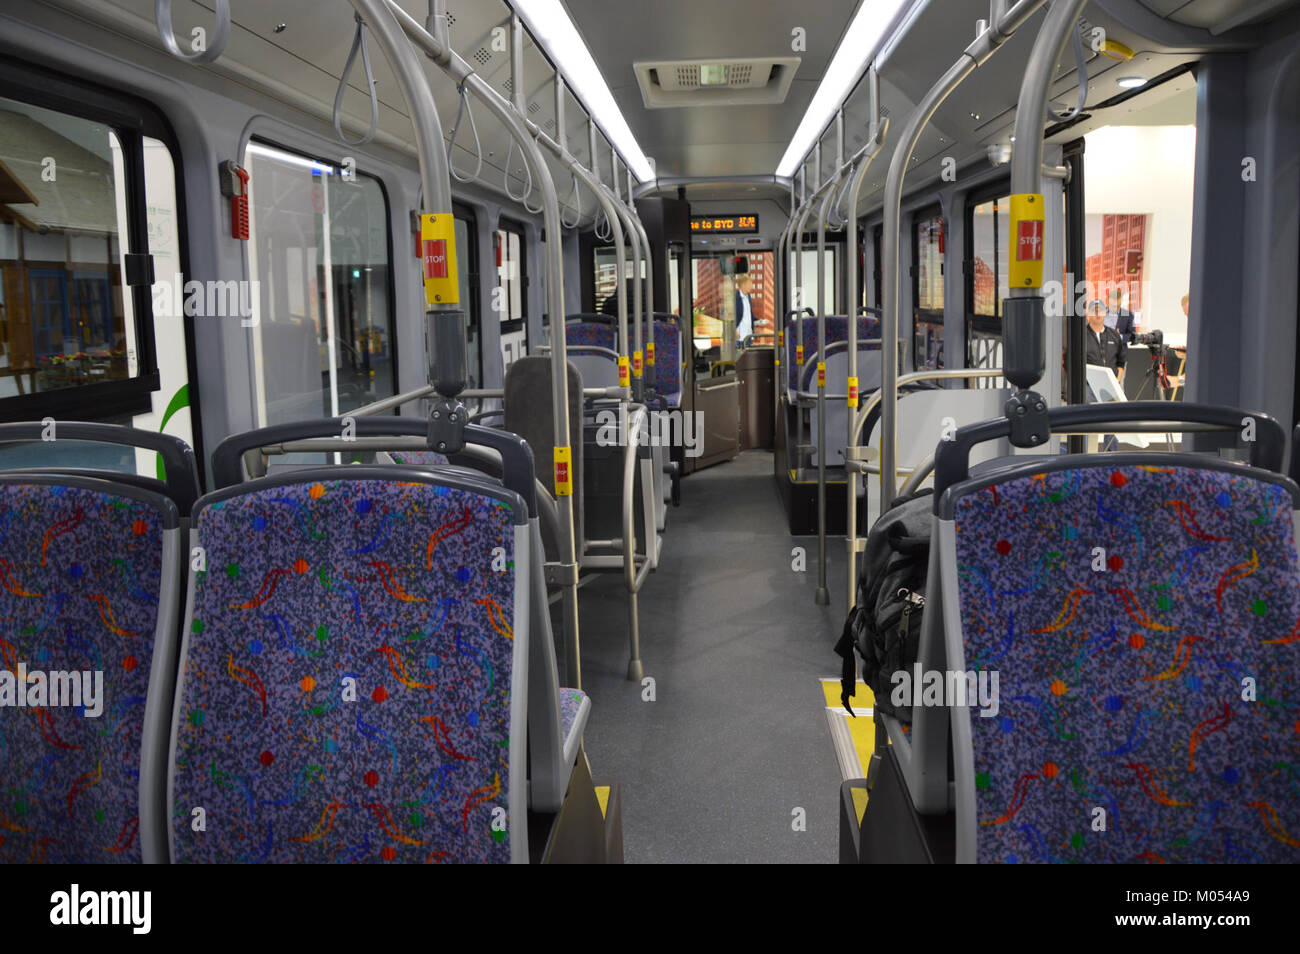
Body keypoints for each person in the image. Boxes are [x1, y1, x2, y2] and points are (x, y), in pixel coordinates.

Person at [1085, 298, 1126, 381]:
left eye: (1101, 310)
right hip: (1088, 387)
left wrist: (1117, 380)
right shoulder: (1082, 336)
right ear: (1089, 313)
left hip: (1111, 385)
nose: (1098, 314)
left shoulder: (1114, 335)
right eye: (1094, 310)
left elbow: (1121, 362)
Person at [734, 275, 754, 347]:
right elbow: (730, 315)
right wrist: (734, 330)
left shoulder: (748, 296)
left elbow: (749, 315)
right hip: (739, 337)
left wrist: (759, 321)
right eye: (749, 284)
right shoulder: (735, 297)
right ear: (742, 285)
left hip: (749, 336)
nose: (751, 287)